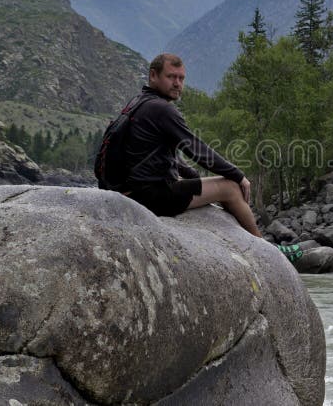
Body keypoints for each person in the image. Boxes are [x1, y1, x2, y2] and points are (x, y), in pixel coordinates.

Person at [117, 53, 302, 262]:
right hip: (147, 197)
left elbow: (162, 155)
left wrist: (191, 174)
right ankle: (268, 252)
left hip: (128, 192)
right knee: (230, 187)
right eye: (171, 77)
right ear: (153, 76)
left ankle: (254, 243)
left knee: (204, 183)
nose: (177, 84)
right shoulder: (162, 109)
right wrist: (238, 175)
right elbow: (197, 150)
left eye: (181, 78)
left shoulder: (138, 104)